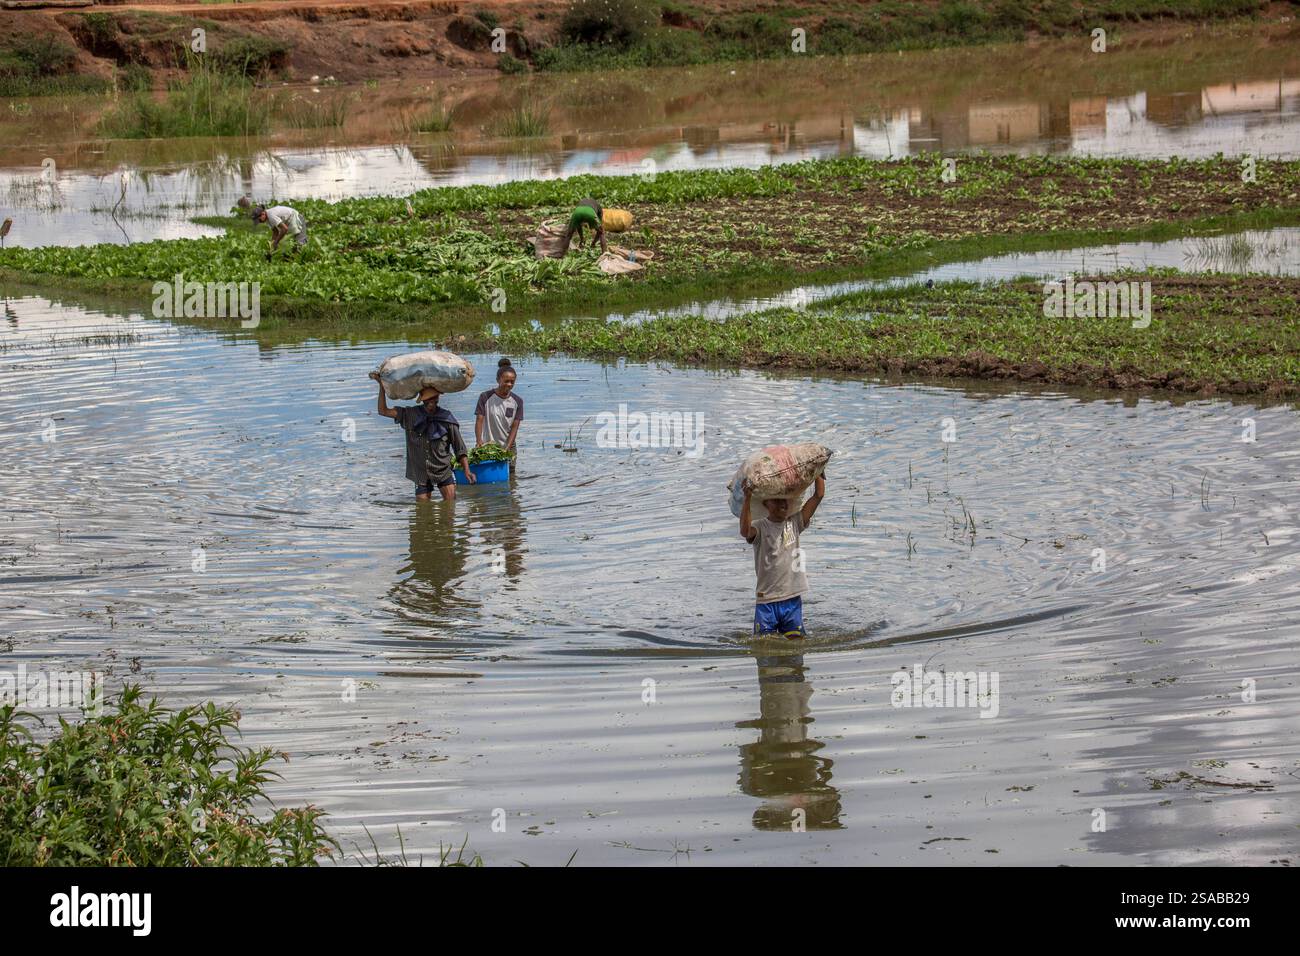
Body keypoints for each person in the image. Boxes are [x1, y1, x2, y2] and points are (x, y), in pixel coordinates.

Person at [739, 474, 826, 639]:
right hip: (766, 602)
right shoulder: (760, 526)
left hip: (792, 600)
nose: (783, 504)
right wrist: (747, 497)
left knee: (796, 647)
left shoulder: (795, 523)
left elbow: (818, 495)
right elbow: (745, 531)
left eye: (785, 499)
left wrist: (818, 471)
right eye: (777, 500)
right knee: (765, 647)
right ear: (765, 504)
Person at [370, 372, 474, 501]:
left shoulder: (446, 418)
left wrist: (467, 470)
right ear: (422, 400)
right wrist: (381, 386)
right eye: (428, 401)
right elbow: (383, 411)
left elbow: (460, 448)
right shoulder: (410, 415)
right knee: (423, 509)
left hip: (442, 469)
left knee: (450, 505)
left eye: (434, 401)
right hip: (420, 472)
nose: (431, 404)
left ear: (438, 399)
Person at [474, 358, 523, 468]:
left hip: (509, 446)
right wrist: (479, 441)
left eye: (512, 382)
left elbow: (515, 428)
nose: (509, 384)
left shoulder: (518, 401)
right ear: (498, 380)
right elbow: (479, 420)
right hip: (488, 445)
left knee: (510, 477)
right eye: (506, 381)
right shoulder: (485, 397)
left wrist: (507, 449)